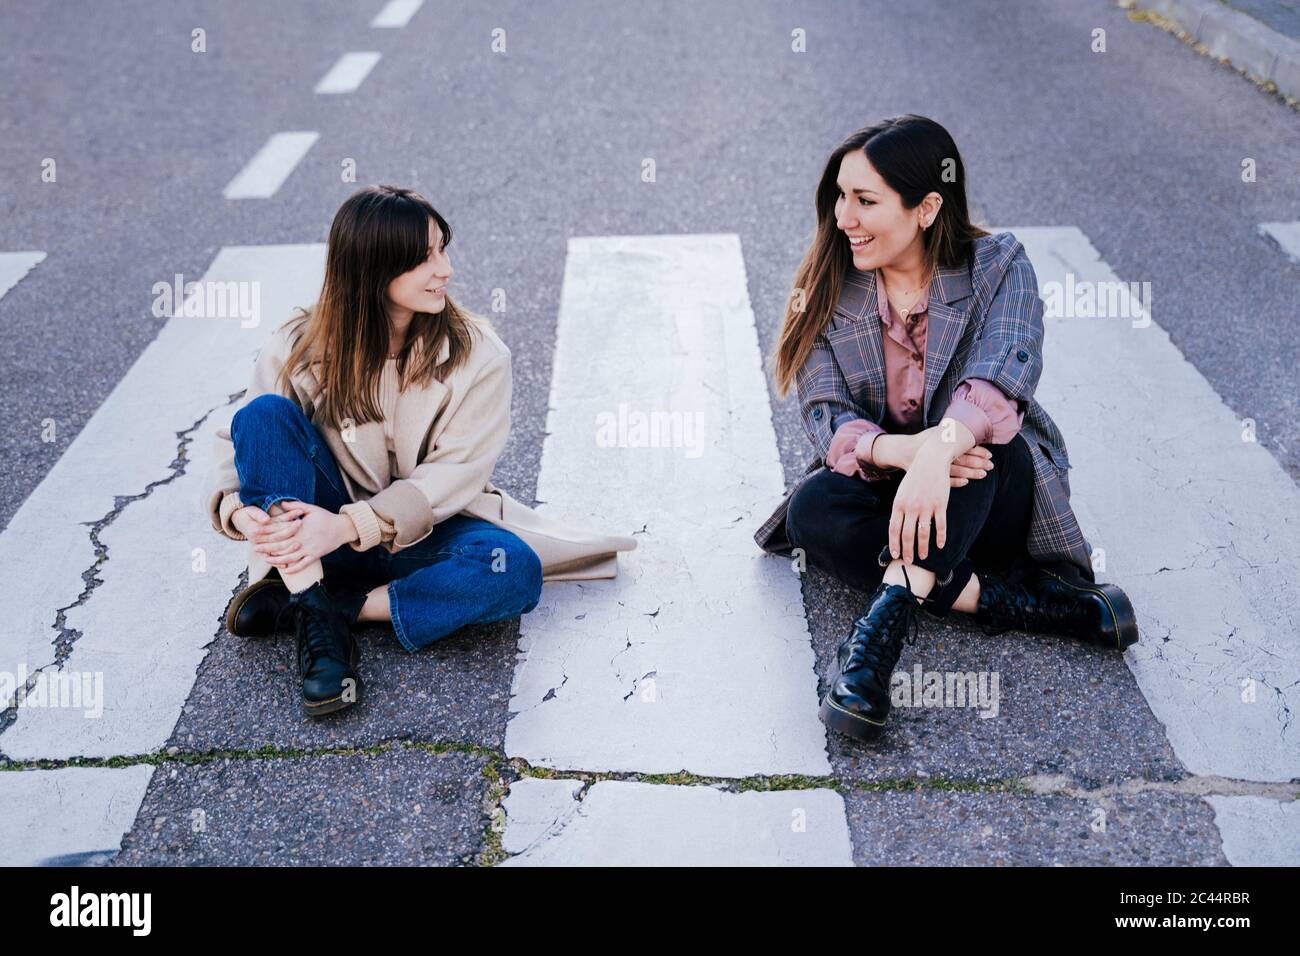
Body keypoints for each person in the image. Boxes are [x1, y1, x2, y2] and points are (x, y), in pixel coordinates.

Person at [755, 115, 1137, 743]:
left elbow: (999, 379)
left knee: (984, 454)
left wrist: (942, 452)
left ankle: (875, 643)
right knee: (814, 506)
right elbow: (825, 415)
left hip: (994, 493)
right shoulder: (829, 287)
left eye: (865, 200)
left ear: (928, 206)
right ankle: (1038, 608)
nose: (843, 216)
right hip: (895, 482)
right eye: (840, 197)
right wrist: (908, 453)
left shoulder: (998, 265)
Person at [202, 185, 635, 717]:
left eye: (443, 249)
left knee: (511, 569)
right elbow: (243, 444)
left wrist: (346, 528)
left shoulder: (478, 356)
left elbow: (454, 475)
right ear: (371, 269)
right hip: (316, 522)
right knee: (264, 416)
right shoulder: (299, 341)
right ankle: (319, 627)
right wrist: (242, 515)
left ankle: (329, 605)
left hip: (413, 532)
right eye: (423, 258)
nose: (445, 270)